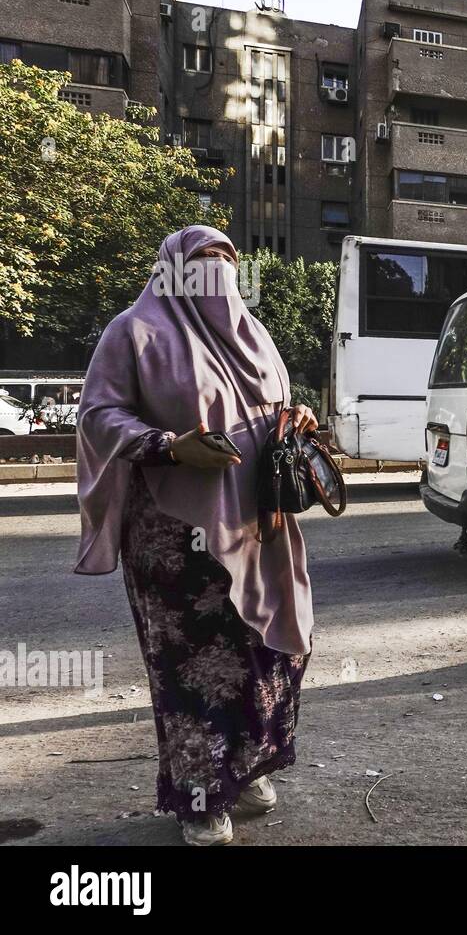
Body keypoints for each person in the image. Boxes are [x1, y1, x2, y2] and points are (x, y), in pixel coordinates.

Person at [75, 226, 317, 846]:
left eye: (225, 265)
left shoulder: (255, 335)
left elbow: (271, 405)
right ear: (173, 271)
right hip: (173, 535)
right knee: (194, 672)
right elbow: (99, 415)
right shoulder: (133, 331)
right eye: (202, 266)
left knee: (269, 653)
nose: (217, 279)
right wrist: (168, 446)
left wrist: (296, 421)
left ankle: (246, 768)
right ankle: (202, 801)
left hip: (257, 527)